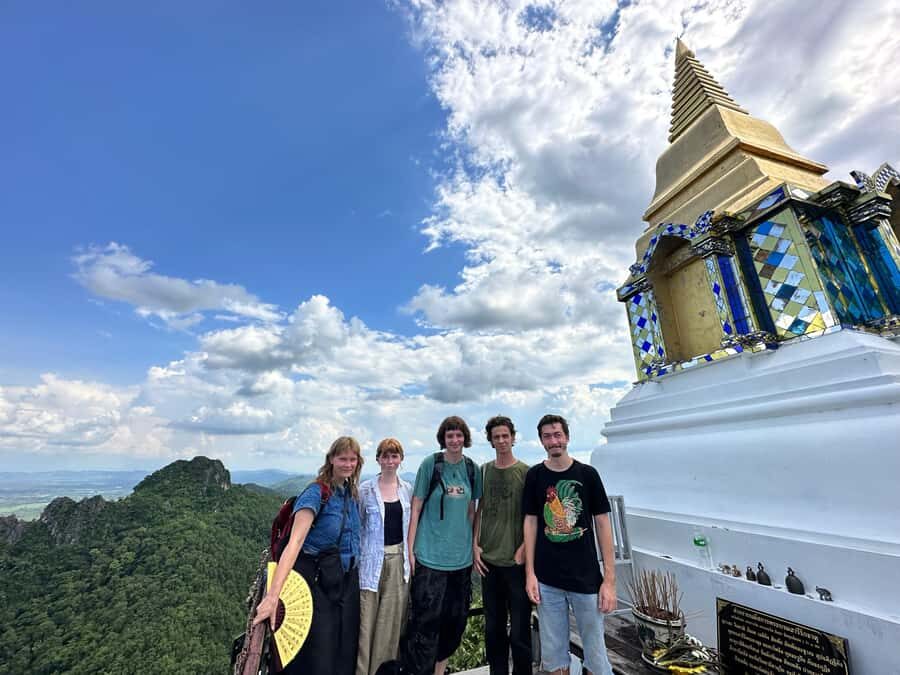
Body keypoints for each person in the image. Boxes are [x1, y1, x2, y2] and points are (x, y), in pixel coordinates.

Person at [254, 436, 364, 675]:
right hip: (317, 584)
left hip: (345, 583)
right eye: (342, 458)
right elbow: (294, 543)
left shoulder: (349, 492)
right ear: (331, 459)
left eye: (352, 459)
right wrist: (273, 596)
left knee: (344, 651)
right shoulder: (316, 493)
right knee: (319, 657)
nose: (348, 464)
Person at [523, 414, 616, 675]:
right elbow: (530, 523)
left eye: (557, 435)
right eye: (547, 436)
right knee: (554, 657)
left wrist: (609, 580)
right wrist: (530, 573)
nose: (553, 441)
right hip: (547, 579)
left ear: (567, 437)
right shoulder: (535, 476)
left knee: (596, 655)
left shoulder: (588, 474)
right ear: (541, 441)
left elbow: (603, 524)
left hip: (586, 579)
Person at [402, 415, 483, 675]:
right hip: (430, 557)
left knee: (454, 625)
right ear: (443, 439)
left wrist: (475, 545)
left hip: (461, 560)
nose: (455, 440)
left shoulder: (472, 469)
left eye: (459, 435)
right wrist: (410, 550)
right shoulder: (431, 464)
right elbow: (416, 507)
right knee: (425, 626)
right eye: (450, 435)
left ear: (465, 438)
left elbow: (473, 512)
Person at [473, 415, 532, 675]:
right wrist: (475, 545)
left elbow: (533, 516)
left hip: (516, 562)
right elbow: (479, 510)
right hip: (489, 561)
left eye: (505, 435)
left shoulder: (525, 472)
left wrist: (525, 548)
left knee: (520, 630)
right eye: (496, 437)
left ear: (513, 437)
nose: (501, 441)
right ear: (490, 441)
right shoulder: (484, 471)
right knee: (493, 629)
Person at [357, 438, 414, 675]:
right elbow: (358, 526)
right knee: (366, 621)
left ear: (400, 459)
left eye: (394, 456)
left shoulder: (407, 489)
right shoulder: (365, 490)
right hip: (371, 562)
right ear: (378, 459)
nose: (390, 461)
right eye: (385, 456)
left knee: (390, 623)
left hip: (399, 559)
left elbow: (411, 526)